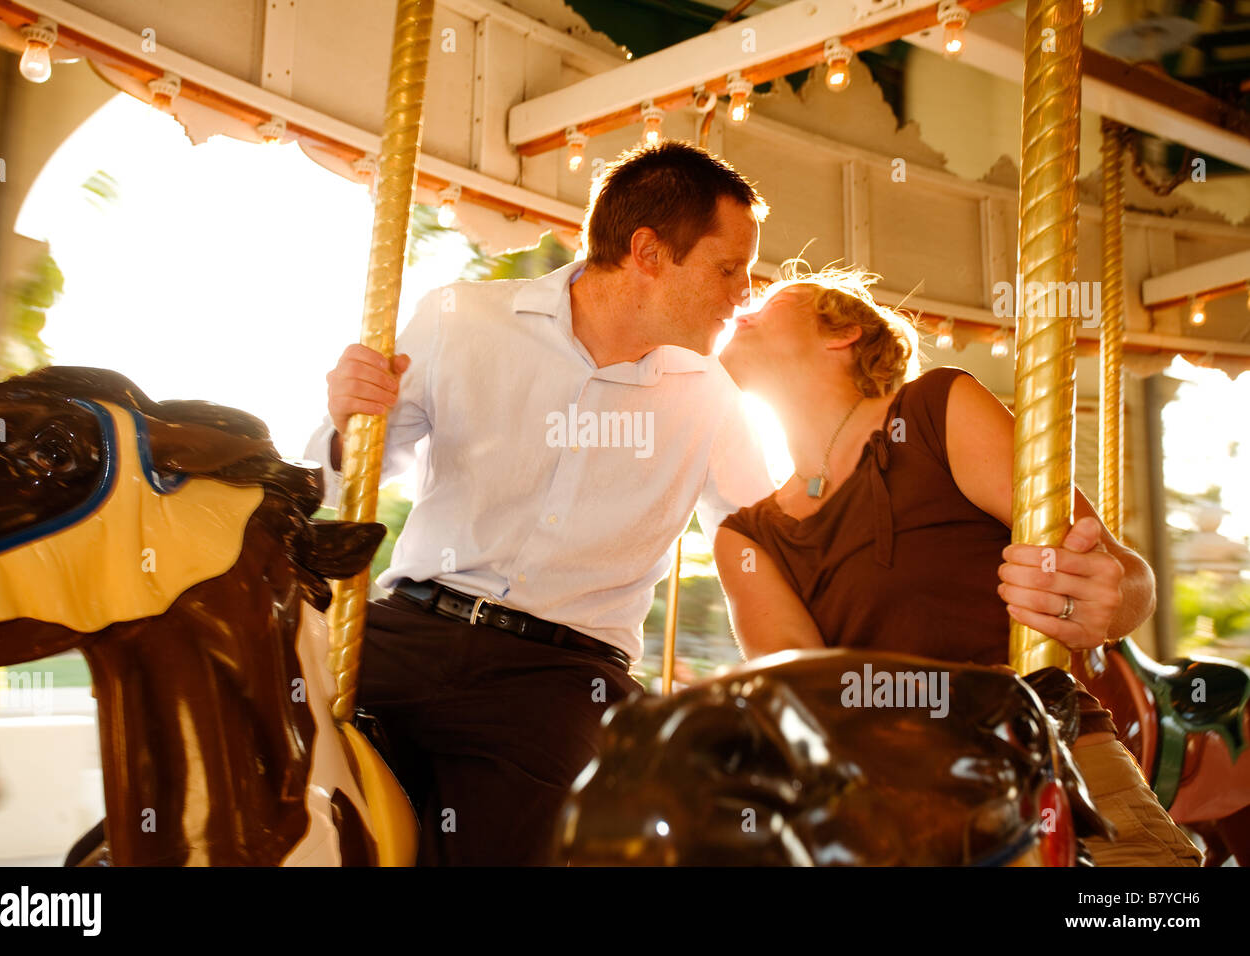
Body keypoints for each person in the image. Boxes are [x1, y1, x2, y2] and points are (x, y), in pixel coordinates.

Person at [304, 142, 776, 865]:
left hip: (560, 680)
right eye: (727, 268)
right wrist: (347, 418)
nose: (745, 292)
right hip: (406, 628)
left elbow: (771, 546)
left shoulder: (714, 400)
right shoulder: (462, 320)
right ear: (647, 252)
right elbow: (337, 481)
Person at [713, 264, 1203, 866]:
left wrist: (1111, 595)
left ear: (840, 332)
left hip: (1055, 760)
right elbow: (801, 695)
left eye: (766, 303)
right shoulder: (750, 536)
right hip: (902, 812)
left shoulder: (934, 411)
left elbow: (1116, 568)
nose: (743, 307)